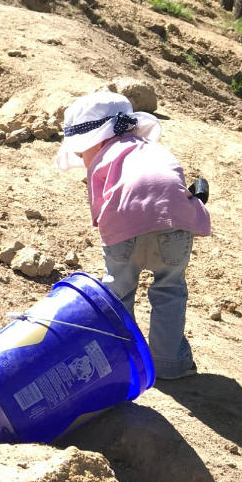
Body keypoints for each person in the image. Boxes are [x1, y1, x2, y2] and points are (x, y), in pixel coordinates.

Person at [54, 92, 211, 380]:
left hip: (124, 229)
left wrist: (111, 234)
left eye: (80, 152)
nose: (80, 158)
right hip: (174, 226)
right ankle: (170, 364)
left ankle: (125, 361)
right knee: (170, 290)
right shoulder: (155, 150)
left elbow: (99, 210)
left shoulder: (102, 159)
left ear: (97, 141)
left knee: (119, 293)